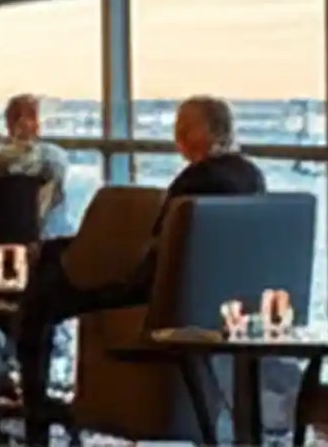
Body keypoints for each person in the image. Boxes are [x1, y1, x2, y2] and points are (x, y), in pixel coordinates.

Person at [18, 96, 265, 445]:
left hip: (156, 300)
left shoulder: (196, 182)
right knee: (52, 262)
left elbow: (162, 254)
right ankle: (40, 405)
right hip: (213, 301)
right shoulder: (251, 177)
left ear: (212, 131)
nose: (178, 134)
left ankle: (35, 409)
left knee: (43, 297)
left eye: (186, 126)